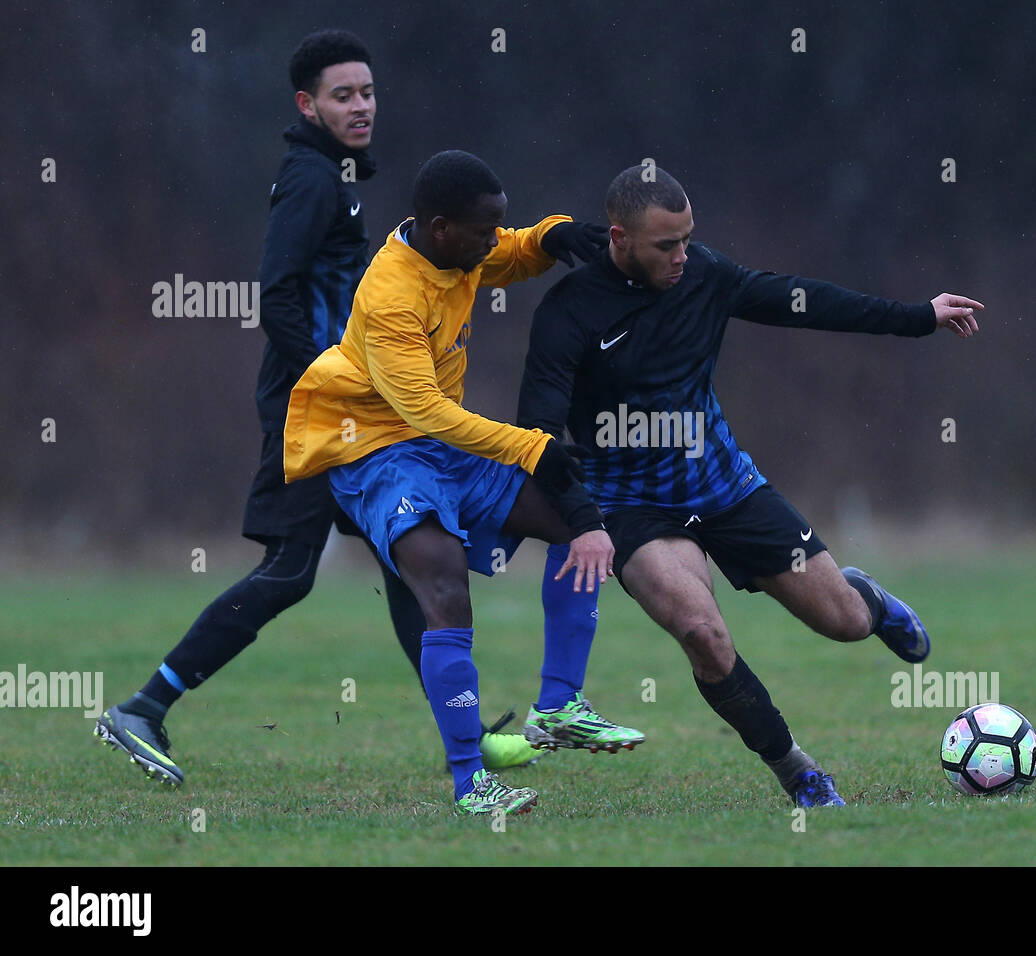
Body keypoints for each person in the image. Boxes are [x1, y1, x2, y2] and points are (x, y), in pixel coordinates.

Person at [94, 31, 533, 785]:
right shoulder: (312, 179)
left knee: (408, 566)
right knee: (291, 572)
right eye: (343, 95)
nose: (361, 106)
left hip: (352, 419)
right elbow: (277, 293)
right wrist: (328, 386)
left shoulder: (336, 172)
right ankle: (144, 706)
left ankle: (466, 736)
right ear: (308, 104)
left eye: (367, 92)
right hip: (319, 418)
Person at [516, 165, 983, 807]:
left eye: (687, 239)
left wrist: (916, 317)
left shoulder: (703, 274)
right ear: (618, 238)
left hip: (725, 487)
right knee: (702, 633)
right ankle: (797, 770)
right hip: (630, 507)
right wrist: (582, 518)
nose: (682, 257)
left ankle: (865, 598)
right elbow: (535, 435)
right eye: (665, 246)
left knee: (842, 623)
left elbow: (801, 300)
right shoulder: (568, 313)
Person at [282, 149, 645, 816]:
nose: (492, 239)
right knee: (446, 589)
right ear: (440, 226)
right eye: (484, 229)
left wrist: (555, 235)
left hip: (443, 447)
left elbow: (518, 253)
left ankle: (559, 704)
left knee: (579, 521)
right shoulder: (392, 293)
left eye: (496, 225)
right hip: (378, 454)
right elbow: (425, 412)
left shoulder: (458, 251)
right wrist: (534, 448)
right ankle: (472, 785)